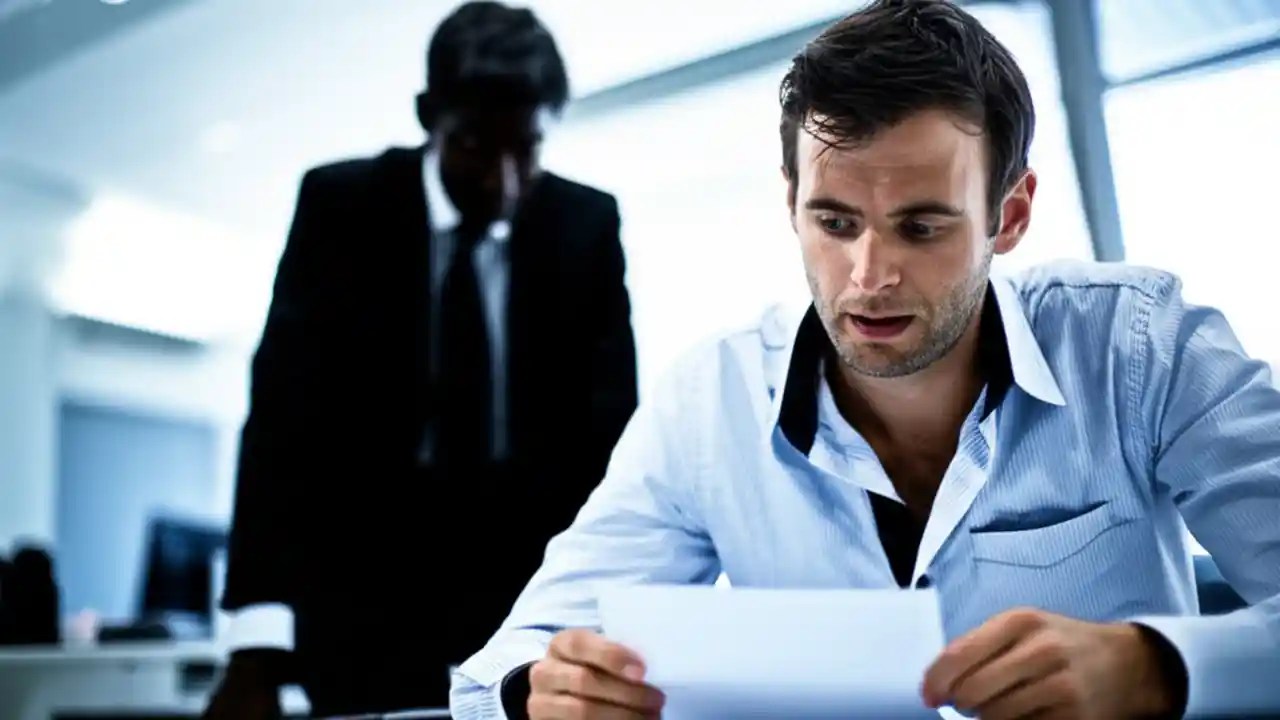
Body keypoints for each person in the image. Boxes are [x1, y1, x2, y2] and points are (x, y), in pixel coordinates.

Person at [449, 1, 1280, 718]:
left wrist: (1158, 668)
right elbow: (499, 670)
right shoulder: (708, 403)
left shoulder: (1142, 346)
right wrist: (540, 691)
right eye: (836, 222)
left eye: (921, 226)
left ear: (1010, 215)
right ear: (791, 203)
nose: (869, 276)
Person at [203, 2, 639, 718]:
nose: (503, 183)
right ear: (428, 117)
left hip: (527, 609)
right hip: (360, 599)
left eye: (526, 150)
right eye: (474, 146)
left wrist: (612, 613)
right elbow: (283, 426)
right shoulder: (341, 210)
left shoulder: (584, 227)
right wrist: (256, 646)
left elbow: (611, 446)